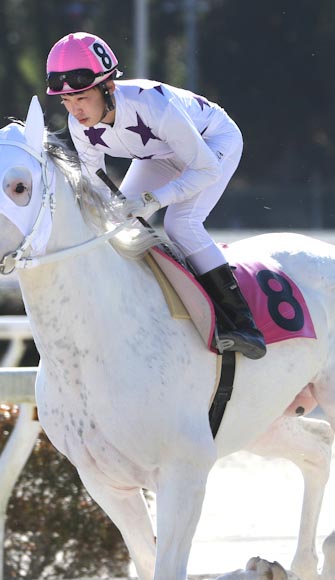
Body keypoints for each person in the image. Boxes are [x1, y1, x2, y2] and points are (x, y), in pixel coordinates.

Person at [45, 31, 266, 359]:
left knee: (181, 224)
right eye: (66, 100)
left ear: (109, 87)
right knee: (117, 223)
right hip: (160, 154)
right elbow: (95, 189)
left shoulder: (152, 104)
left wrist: (153, 200)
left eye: (82, 98)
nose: (75, 110)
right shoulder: (79, 125)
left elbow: (206, 170)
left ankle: (243, 324)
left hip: (212, 144)